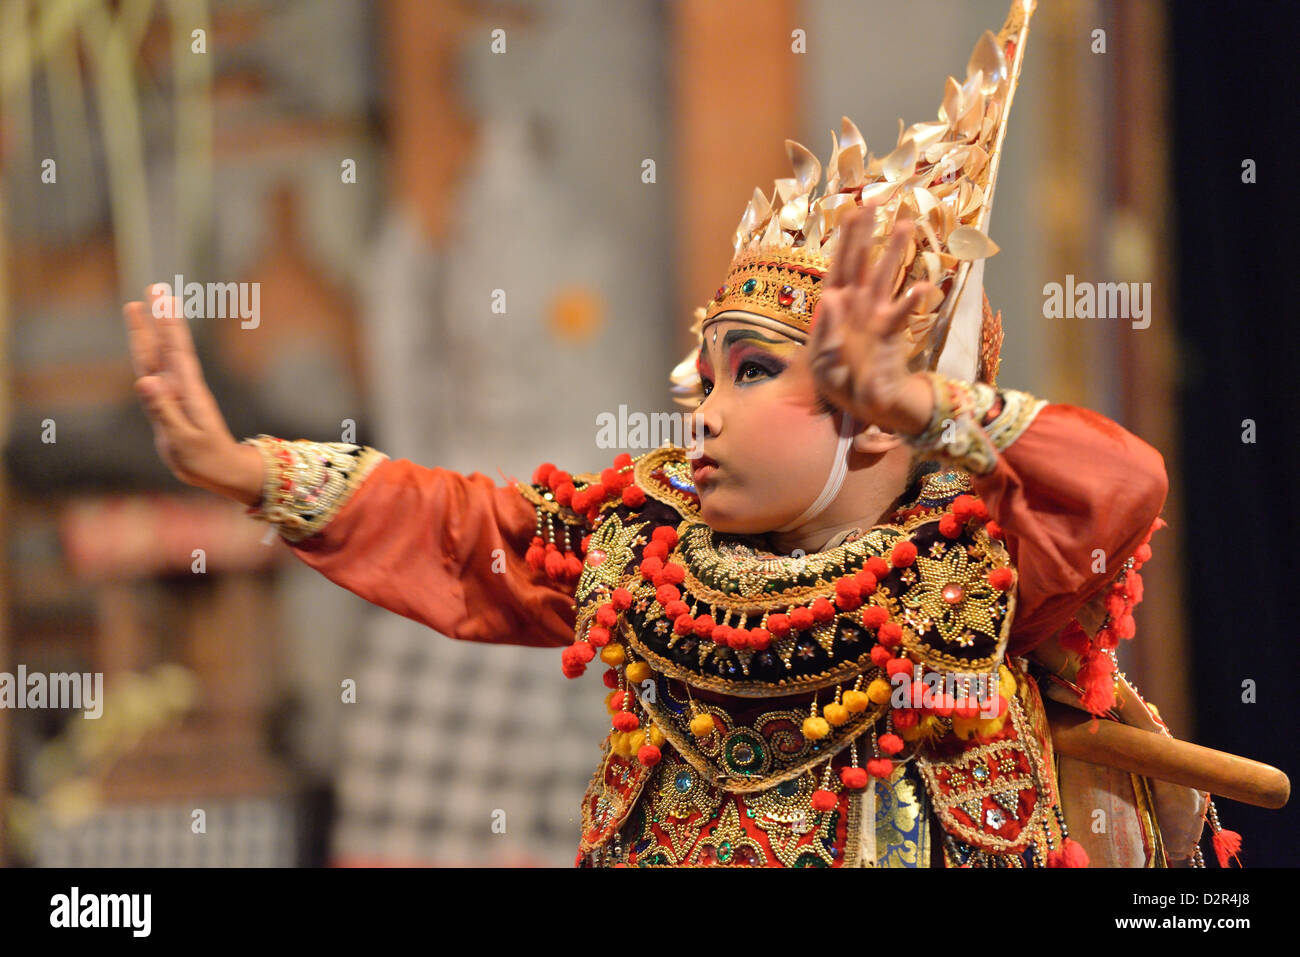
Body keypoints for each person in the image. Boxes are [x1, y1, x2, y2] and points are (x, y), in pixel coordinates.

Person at [124, 0, 1230, 867]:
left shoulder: (979, 570)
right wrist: (246, 471)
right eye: (704, 375)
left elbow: (1118, 488)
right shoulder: (646, 547)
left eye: (753, 374)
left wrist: (923, 402)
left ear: (879, 428)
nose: (704, 409)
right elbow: (466, 535)